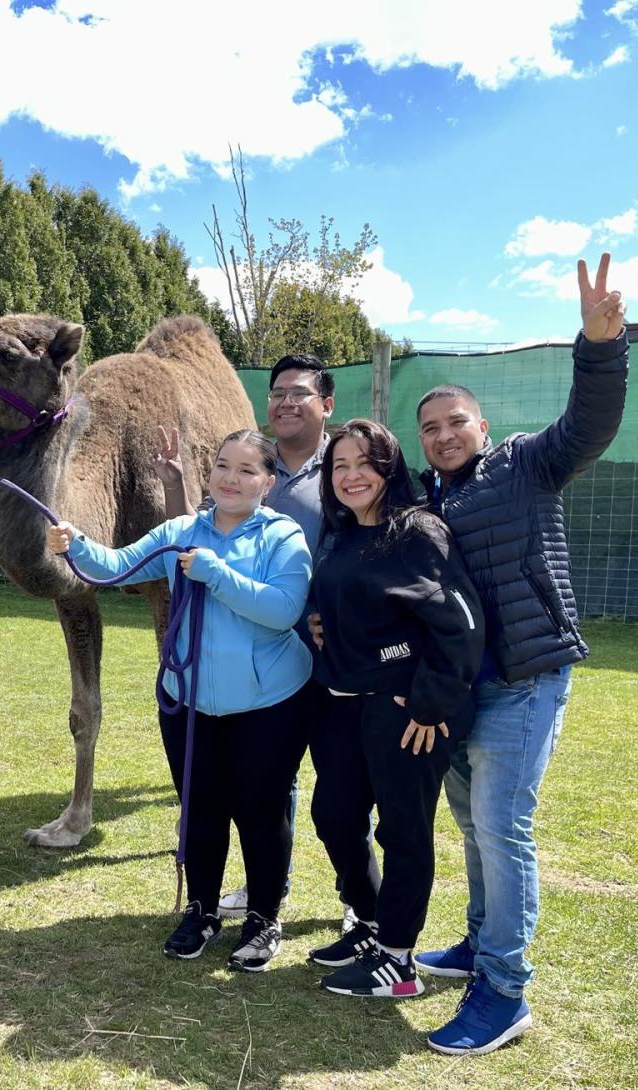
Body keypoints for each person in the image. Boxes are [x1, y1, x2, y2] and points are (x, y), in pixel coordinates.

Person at [412, 255, 629, 1054]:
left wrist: (601, 347)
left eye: (453, 423)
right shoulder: (427, 497)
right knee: (471, 824)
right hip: (466, 691)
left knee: (502, 825)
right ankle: (477, 944)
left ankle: (503, 992)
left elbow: (589, 425)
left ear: (483, 428)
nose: (440, 437)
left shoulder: (524, 464)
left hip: (527, 680)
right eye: (428, 428)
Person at [48, 430, 311, 972]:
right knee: (202, 809)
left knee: (261, 813)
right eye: (221, 466)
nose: (230, 479)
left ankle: (264, 917)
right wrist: (74, 543)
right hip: (188, 703)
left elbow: (283, 610)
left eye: (245, 470)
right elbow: (112, 566)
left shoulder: (284, 537)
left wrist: (215, 573)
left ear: (267, 480)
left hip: (268, 704)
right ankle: (202, 910)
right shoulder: (181, 531)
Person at [155, 356, 380, 928]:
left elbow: (373, 550)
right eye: (276, 392)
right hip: (266, 658)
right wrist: (178, 483)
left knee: (341, 795)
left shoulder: (345, 468)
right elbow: (201, 540)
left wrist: (345, 616)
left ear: (326, 403)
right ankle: (266, 900)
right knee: (261, 791)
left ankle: (362, 907)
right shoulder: (250, 461)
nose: (283, 402)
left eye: (298, 393)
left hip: (333, 653)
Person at [301, 419, 483, 999]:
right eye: (339, 466)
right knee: (333, 814)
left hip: (405, 712)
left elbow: (460, 625)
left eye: (364, 463)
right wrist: (320, 630)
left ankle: (398, 961)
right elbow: (342, 605)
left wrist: (429, 704)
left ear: (389, 466)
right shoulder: (342, 531)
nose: (351, 476)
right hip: (343, 704)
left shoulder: (418, 531)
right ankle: (372, 923)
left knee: (402, 831)